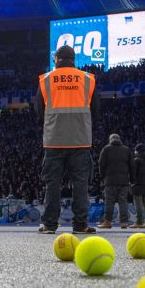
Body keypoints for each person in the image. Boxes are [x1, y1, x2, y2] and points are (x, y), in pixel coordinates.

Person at [35, 45, 99, 234]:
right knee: (80, 183)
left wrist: (51, 126)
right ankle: (80, 225)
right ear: (73, 59)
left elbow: (39, 111)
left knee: (52, 183)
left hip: (54, 140)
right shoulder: (87, 79)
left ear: (56, 59)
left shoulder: (46, 79)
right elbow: (96, 110)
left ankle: (49, 225)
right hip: (80, 140)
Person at [97, 134, 135, 229]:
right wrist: (132, 179)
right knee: (123, 202)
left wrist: (102, 177)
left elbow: (101, 164)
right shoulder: (126, 150)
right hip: (124, 181)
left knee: (109, 201)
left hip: (110, 181)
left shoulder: (106, 149)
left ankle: (108, 222)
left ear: (110, 140)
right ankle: (123, 223)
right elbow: (132, 166)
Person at [130, 143, 145, 229]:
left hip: (137, 185)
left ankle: (139, 222)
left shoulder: (137, 160)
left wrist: (131, 182)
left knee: (138, 204)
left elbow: (133, 173)